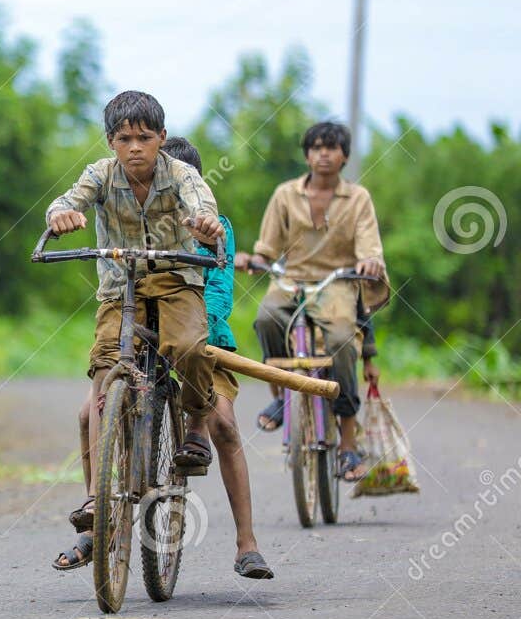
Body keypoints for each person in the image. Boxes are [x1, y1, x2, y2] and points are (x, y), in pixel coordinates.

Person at [56, 137, 273, 579]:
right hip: (139, 328)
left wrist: (187, 332)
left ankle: (246, 541)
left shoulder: (211, 225)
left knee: (224, 424)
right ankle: (97, 522)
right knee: (88, 412)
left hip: (202, 336)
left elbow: (216, 295)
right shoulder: (124, 215)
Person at [45, 90, 222, 563]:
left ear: (162, 138)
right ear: (110, 142)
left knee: (188, 346)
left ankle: (197, 423)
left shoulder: (181, 173)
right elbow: (69, 199)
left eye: (145, 137)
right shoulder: (99, 175)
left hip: (174, 281)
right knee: (104, 373)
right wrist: (61, 215)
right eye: (124, 139)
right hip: (119, 290)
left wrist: (206, 225)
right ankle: (96, 499)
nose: (135, 147)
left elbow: (202, 203)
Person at [237, 121, 388, 482]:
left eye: (332, 147)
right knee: (267, 317)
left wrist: (369, 261)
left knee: (339, 342)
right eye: (316, 147)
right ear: (306, 154)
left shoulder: (358, 198)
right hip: (292, 280)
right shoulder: (284, 195)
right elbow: (267, 249)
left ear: (344, 156)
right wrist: (251, 259)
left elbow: (370, 246)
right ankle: (281, 394)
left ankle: (348, 444)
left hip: (337, 283)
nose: (323, 153)